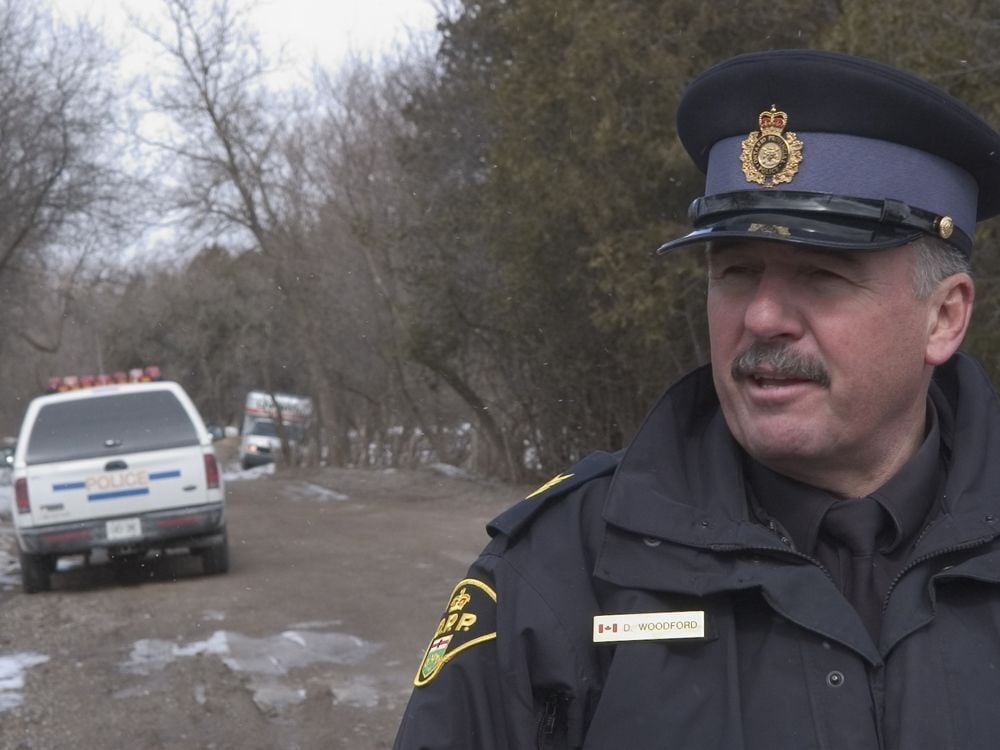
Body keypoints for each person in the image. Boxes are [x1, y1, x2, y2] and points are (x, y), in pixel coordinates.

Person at [392, 49, 1000, 749]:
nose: (763, 317)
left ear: (943, 317)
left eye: (823, 276)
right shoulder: (566, 568)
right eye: (735, 272)